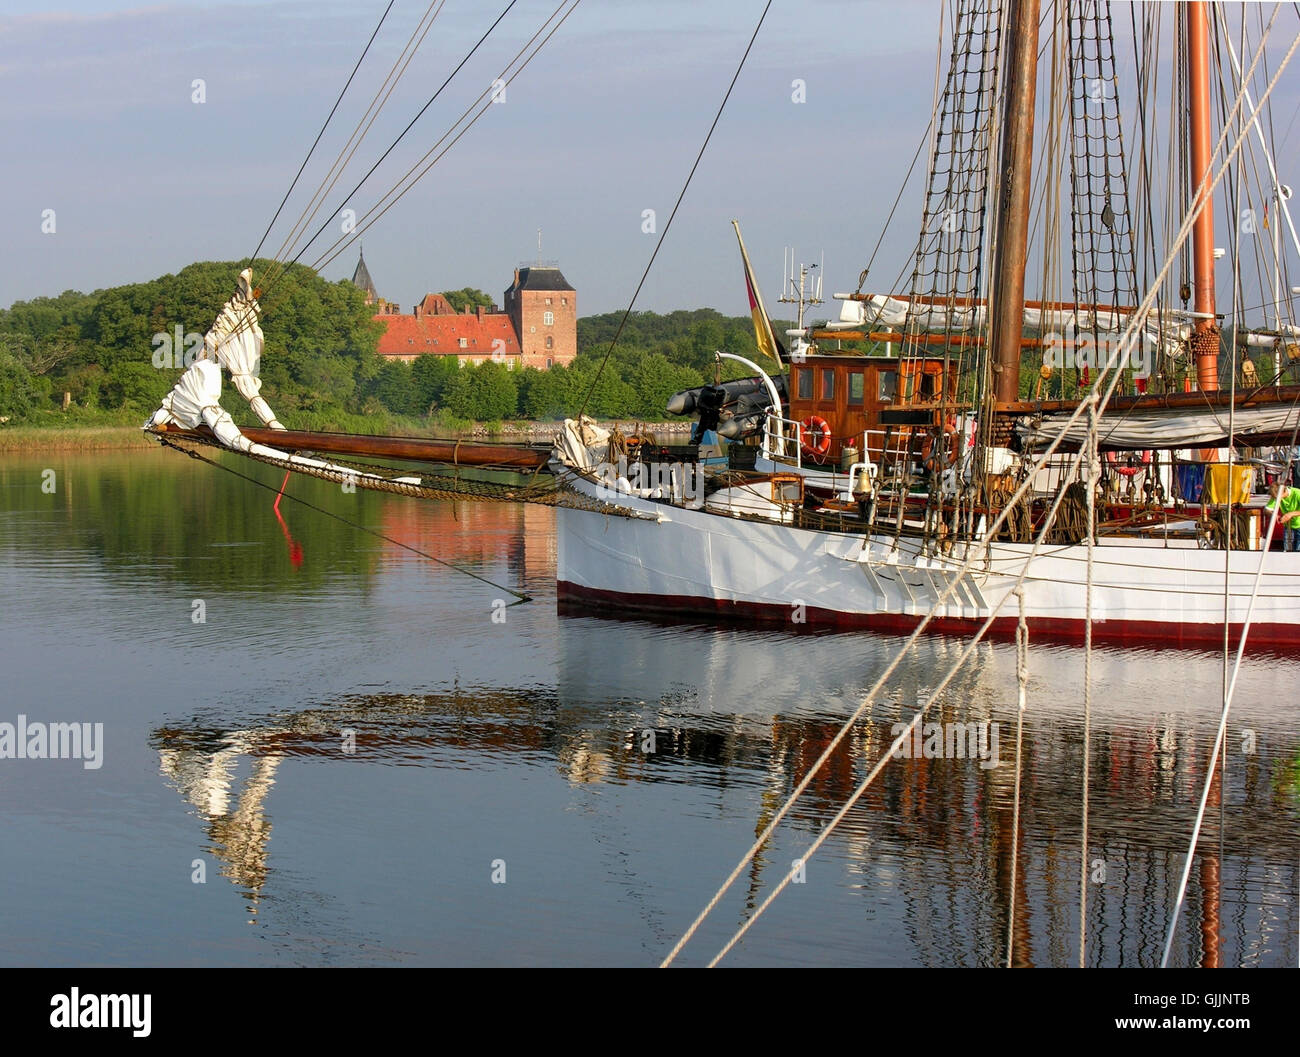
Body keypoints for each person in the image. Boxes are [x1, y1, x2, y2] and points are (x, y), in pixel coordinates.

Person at [1265, 480, 1300, 551]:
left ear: (1283, 492)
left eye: (1277, 498)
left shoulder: (1297, 493)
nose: (1276, 500)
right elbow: (1266, 509)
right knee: (1287, 552)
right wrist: (1274, 515)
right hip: (1288, 527)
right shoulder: (1276, 496)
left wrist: (1290, 514)